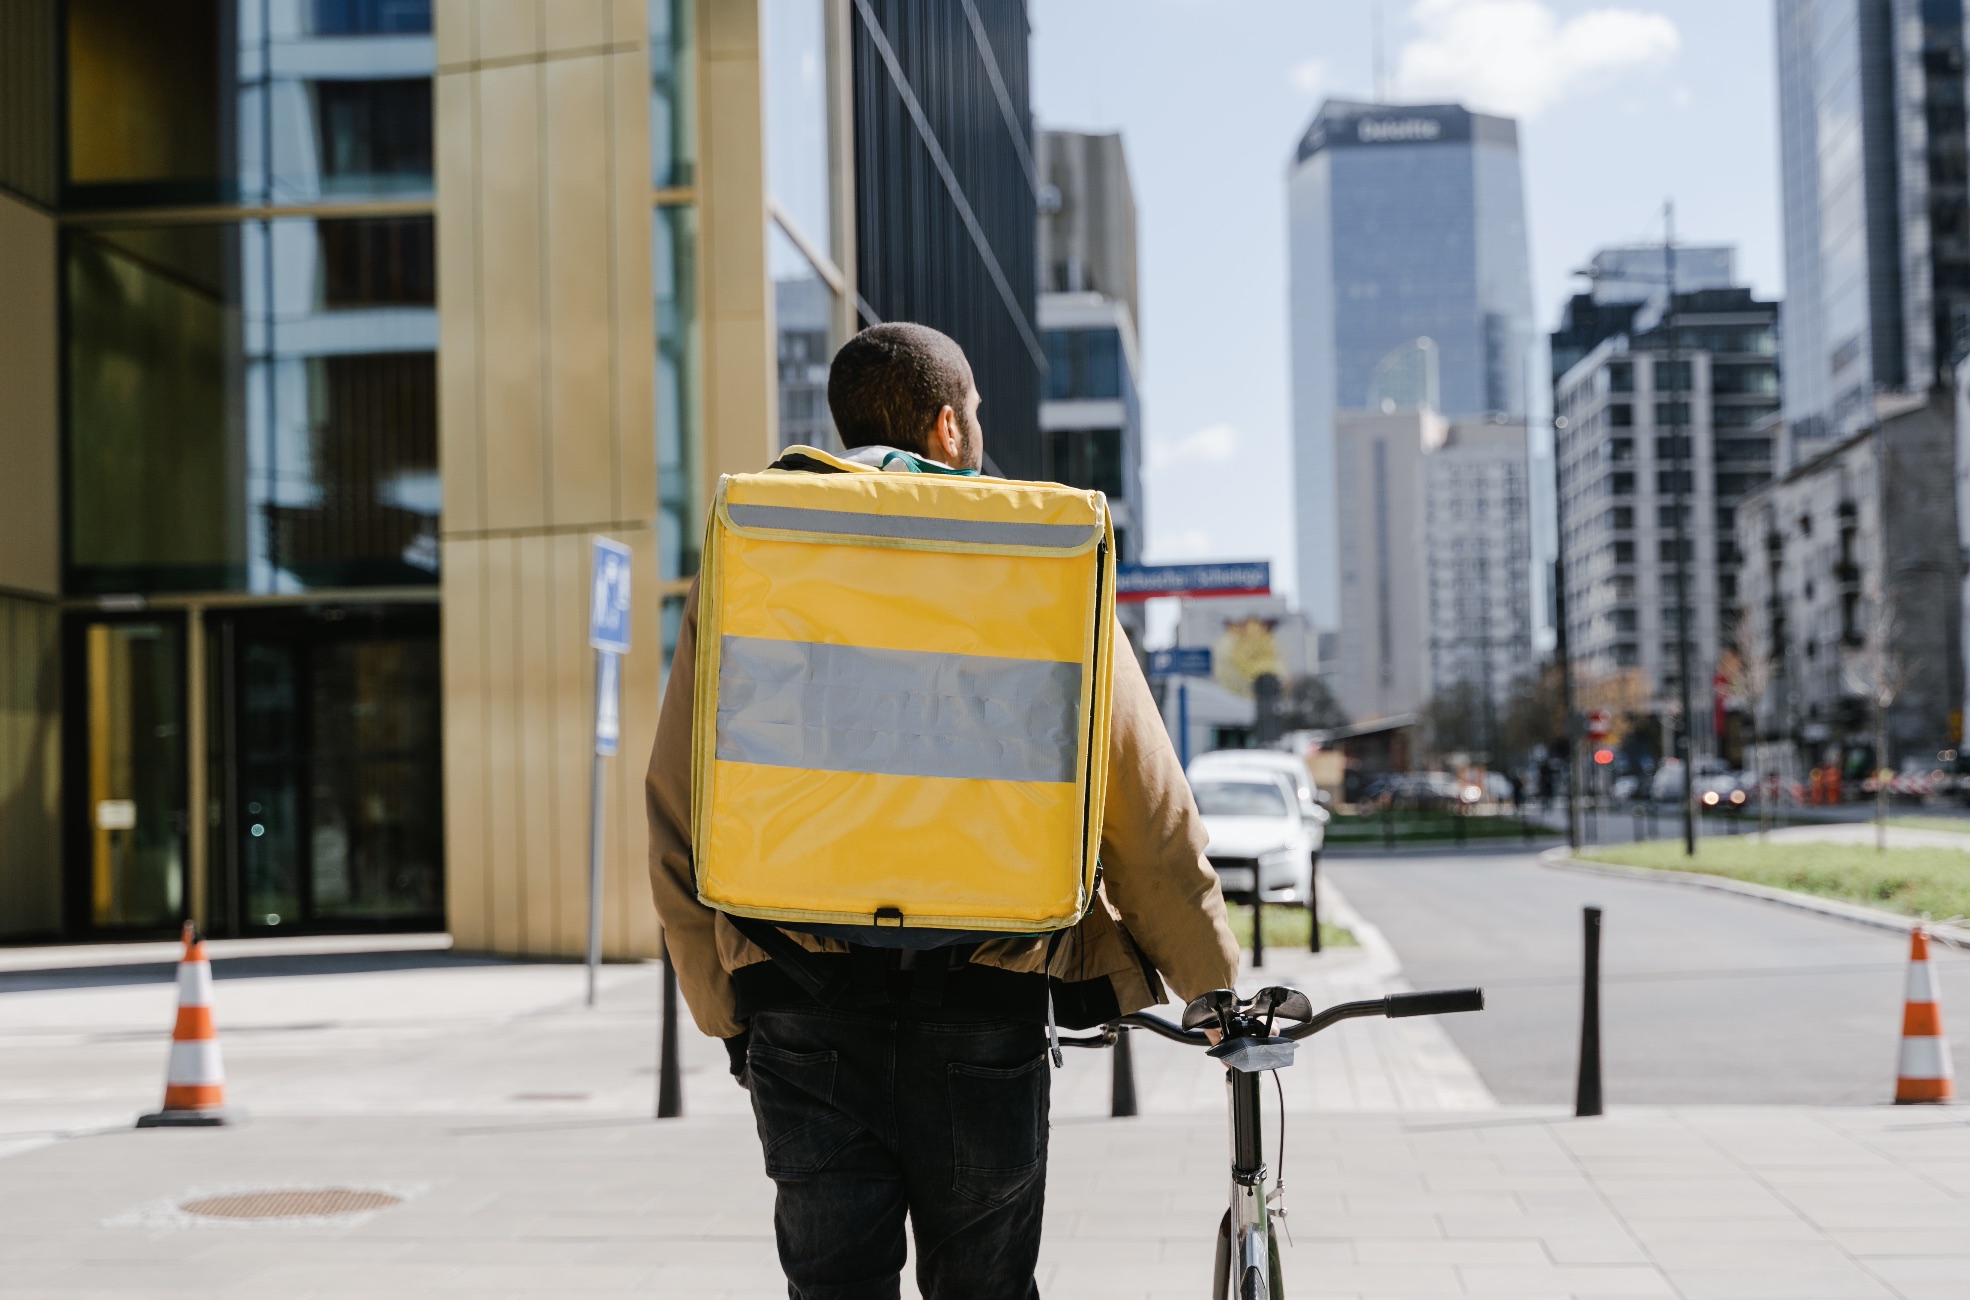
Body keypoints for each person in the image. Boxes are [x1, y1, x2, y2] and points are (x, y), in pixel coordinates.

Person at [646, 322, 1240, 1300]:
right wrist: (1209, 980)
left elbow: (678, 798)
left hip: (796, 995)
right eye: (970, 414)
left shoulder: (759, 549)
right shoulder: (1032, 553)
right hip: (981, 997)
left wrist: (723, 1008)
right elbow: (1140, 803)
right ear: (946, 426)